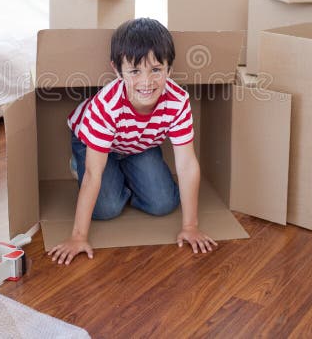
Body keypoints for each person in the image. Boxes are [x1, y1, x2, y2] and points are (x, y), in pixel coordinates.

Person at [48, 18, 217, 265]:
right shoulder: (106, 105)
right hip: (93, 144)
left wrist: (190, 226)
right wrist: (78, 237)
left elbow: (187, 164)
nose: (146, 82)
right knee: (106, 209)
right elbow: (95, 173)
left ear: (169, 69)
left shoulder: (178, 101)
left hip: (139, 145)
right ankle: (80, 165)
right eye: (135, 71)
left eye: (156, 70)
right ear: (117, 70)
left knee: (164, 203)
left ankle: (124, 173)